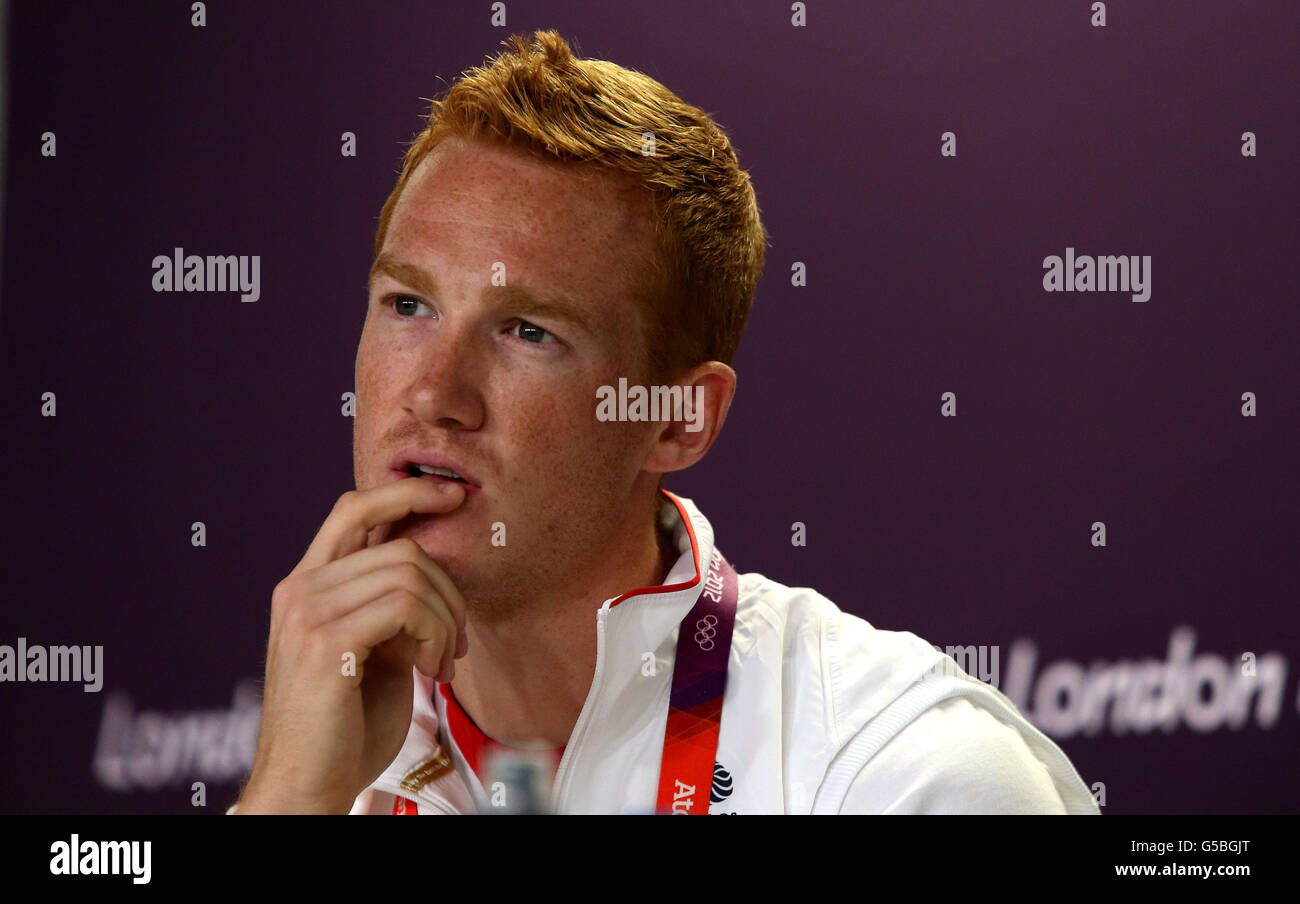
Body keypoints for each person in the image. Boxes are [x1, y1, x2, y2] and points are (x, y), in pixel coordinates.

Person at [232, 29, 1099, 815]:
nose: (432, 394)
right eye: (408, 304)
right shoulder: (324, 763)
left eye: (528, 331)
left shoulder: (897, 772)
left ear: (681, 419)